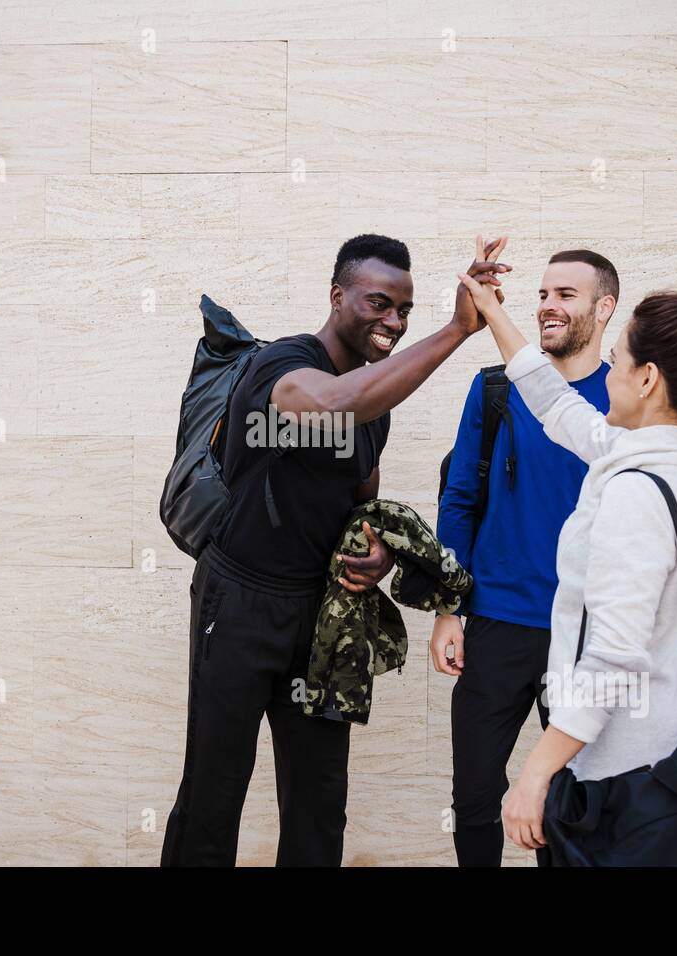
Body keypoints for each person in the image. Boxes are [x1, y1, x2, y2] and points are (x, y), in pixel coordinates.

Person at [162, 234, 507, 866]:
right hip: (238, 601)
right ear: (337, 296)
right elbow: (330, 402)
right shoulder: (284, 365)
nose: (394, 323)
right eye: (379, 303)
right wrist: (457, 331)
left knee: (320, 801)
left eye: (404, 310)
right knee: (214, 792)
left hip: (321, 616)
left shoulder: (378, 403)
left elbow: (357, 499)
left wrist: (375, 555)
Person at [457, 247, 677, 852]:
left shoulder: (635, 490)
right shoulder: (672, 460)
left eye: (621, 361)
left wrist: (536, 772)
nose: (611, 374)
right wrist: (493, 311)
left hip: (630, 765)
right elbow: (559, 407)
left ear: (648, 379)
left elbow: (614, 661)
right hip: (659, 741)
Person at [435, 248, 618, 866]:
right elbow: (459, 499)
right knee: (476, 800)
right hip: (496, 625)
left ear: (604, 308)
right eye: (542, 294)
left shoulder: (624, 405)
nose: (548, 306)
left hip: (584, 640)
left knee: (574, 802)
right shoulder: (492, 392)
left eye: (566, 295)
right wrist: (448, 609)